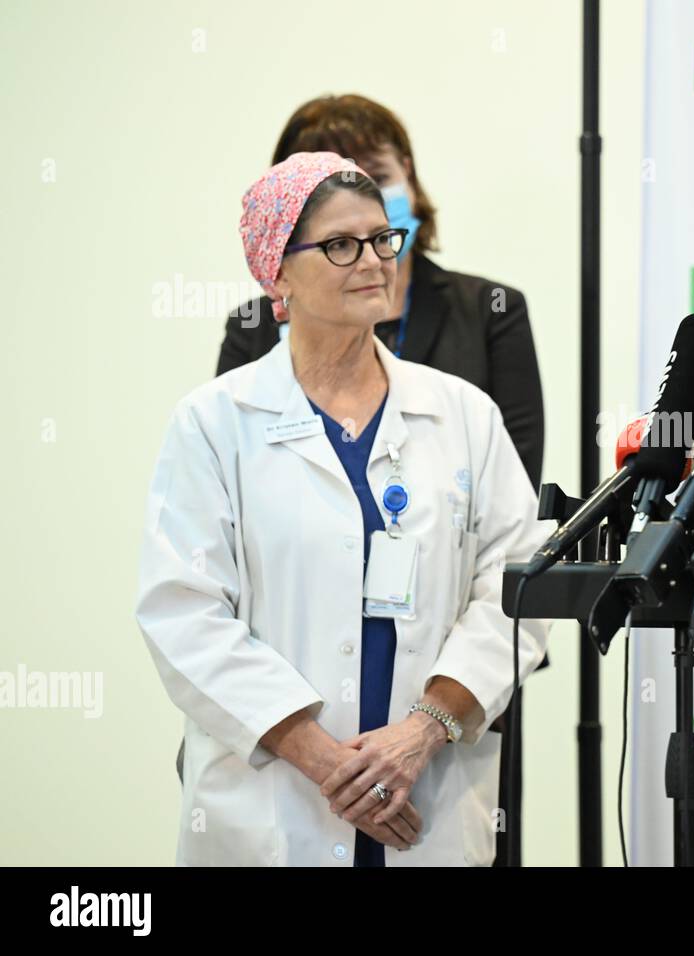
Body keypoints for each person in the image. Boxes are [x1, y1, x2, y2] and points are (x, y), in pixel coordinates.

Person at [136, 151, 549, 866]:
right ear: (278, 274)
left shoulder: (461, 415)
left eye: (382, 238)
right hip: (274, 808)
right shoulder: (215, 422)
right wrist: (331, 765)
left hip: (427, 792)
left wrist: (420, 733)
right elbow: (185, 615)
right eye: (339, 245)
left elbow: (517, 587)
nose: (374, 261)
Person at [217, 94, 545, 489]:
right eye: (338, 243)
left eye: (372, 176)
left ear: (407, 171)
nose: (369, 260)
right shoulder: (241, 352)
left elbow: (510, 505)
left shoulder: (489, 318)